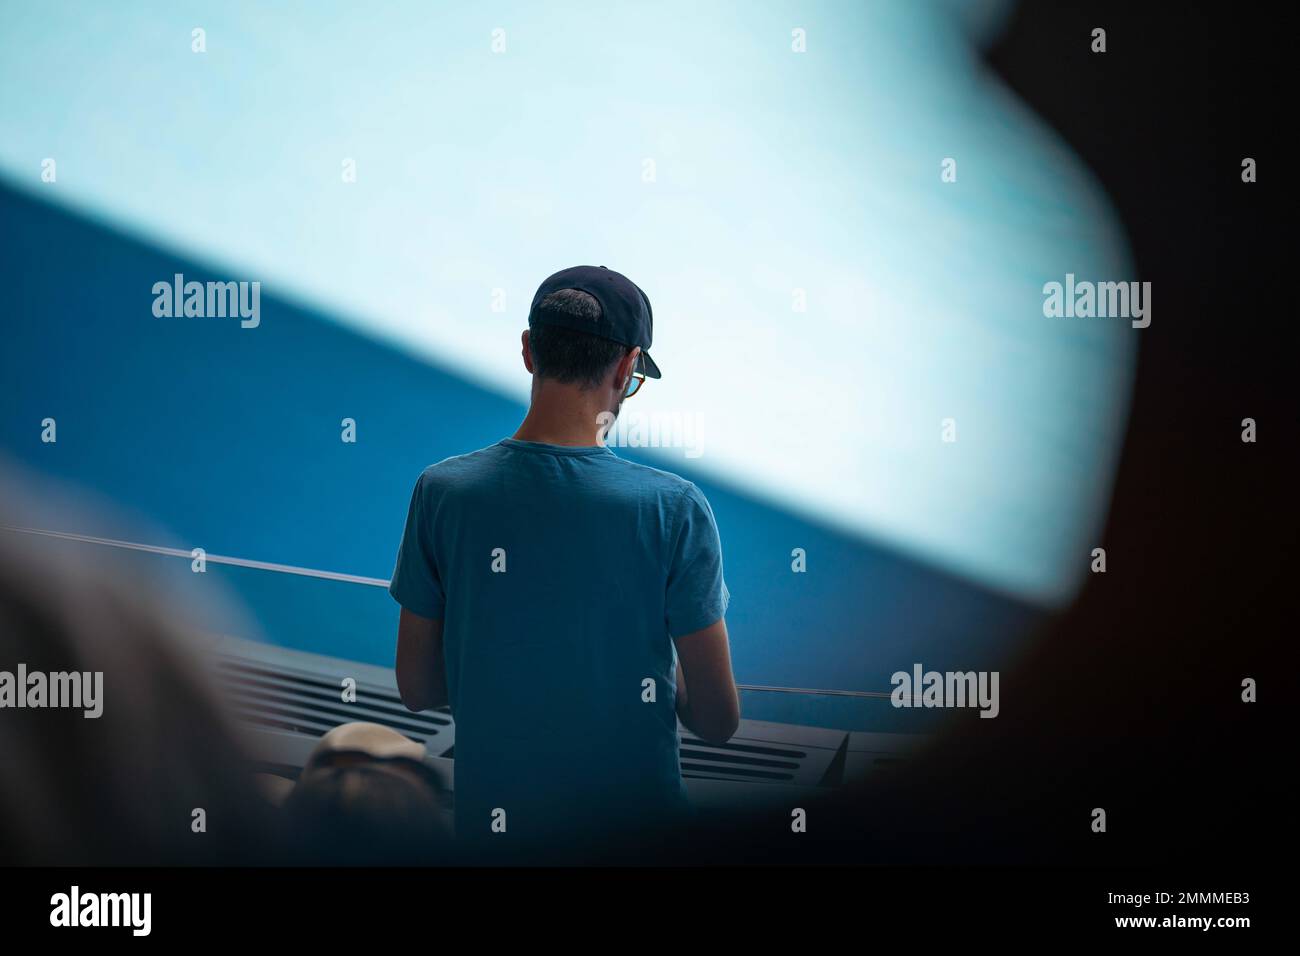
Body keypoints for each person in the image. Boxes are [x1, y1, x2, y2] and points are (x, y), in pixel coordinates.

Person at [389, 265, 739, 857]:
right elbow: (717, 718)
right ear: (627, 369)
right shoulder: (675, 509)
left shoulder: (443, 491)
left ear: (528, 351)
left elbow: (418, 687)